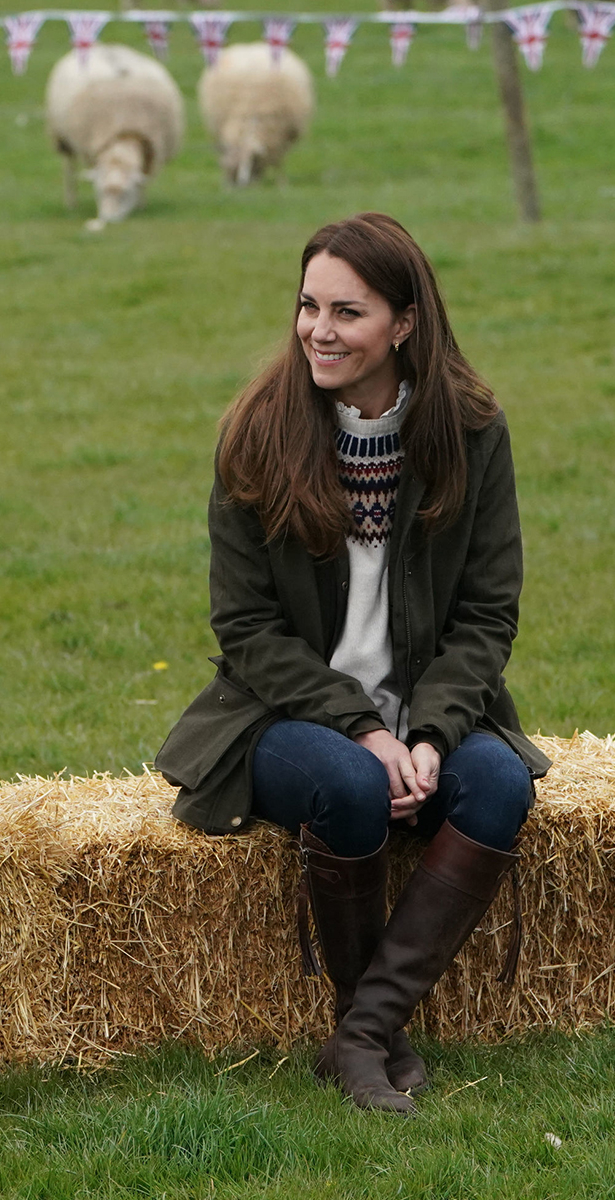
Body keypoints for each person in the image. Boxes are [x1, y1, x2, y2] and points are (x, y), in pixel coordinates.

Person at [156, 213, 550, 1114]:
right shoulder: (257, 432)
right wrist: (366, 727)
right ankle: (373, 1034)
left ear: (404, 324)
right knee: (351, 786)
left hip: (435, 711)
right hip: (283, 717)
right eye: (307, 307)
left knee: (498, 785)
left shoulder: (470, 430)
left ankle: (362, 1034)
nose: (318, 331)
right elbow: (246, 628)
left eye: (347, 312)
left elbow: (489, 614)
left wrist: (434, 732)